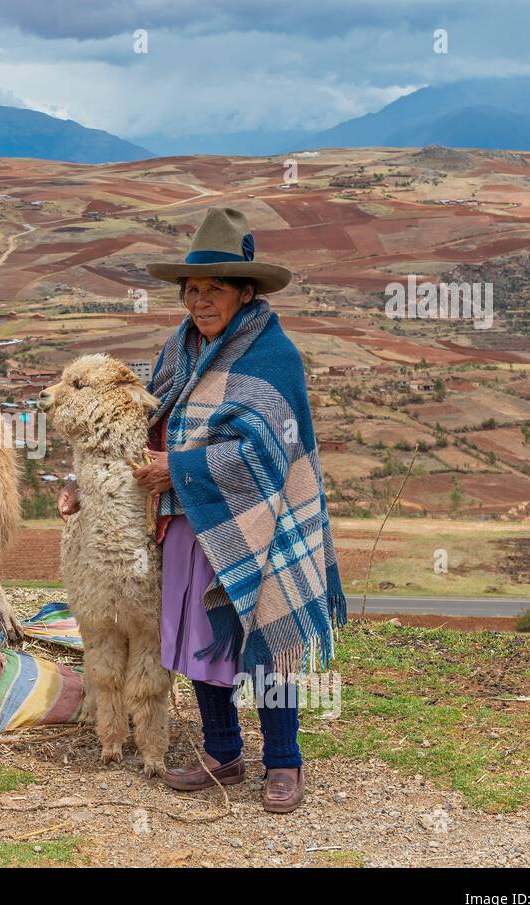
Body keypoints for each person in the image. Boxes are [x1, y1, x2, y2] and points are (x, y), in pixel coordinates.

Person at [58, 207, 345, 812]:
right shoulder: (180, 349)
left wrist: (177, 471)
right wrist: (89, 486)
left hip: (258, 525)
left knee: (264, 638)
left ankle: (284, 762)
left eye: (214, 289)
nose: (200, 301)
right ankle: (222, 751)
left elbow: (266, 454)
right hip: (188, 524)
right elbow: (142, 425)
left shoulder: (272, 356)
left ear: (246, 292)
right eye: (192, 289)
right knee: (201, 635)